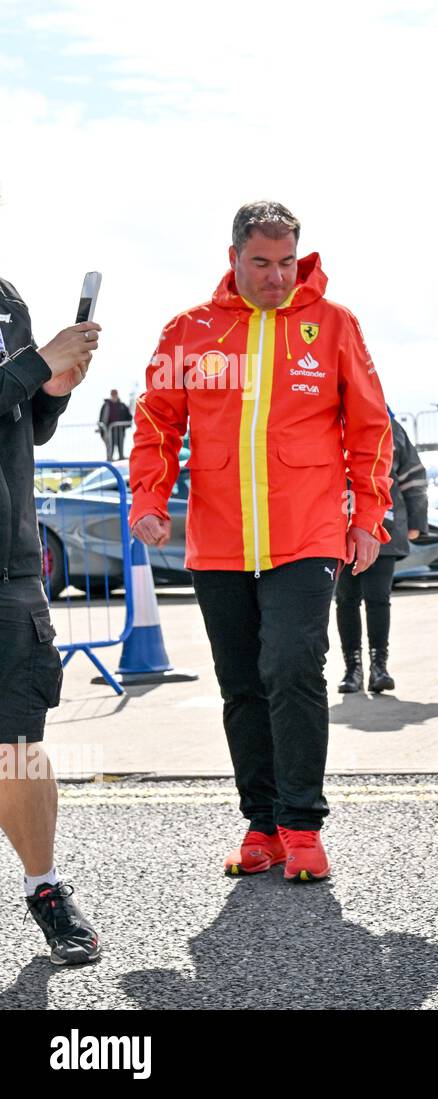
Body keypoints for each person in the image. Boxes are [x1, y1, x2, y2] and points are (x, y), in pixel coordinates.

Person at [129, 201, 393, 884]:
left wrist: (369, 515)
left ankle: (303, 825)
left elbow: (369, 427)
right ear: (234, 258)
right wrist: (150, 499)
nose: (276, 277)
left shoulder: (333, 326)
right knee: (242, 681)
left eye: (286, 263)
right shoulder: (190, 332)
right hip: (218, 539)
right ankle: (262, 823)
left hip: (306, 532)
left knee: (294, 664)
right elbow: (157, 421)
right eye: (261, 263)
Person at [0, 275, 102, 964]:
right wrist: (36, 365)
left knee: (17, 746)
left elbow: (24, 422)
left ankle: (45, 888)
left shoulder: (6, 298)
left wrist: (53, 391)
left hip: (12, 569)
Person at [337, 410, 428, 694]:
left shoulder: (389, 426)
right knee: (346, 599)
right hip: (338, 524)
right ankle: (353, 669)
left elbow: (413, 475)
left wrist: (417, 520)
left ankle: (379, 668)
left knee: (378, 598)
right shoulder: (328, 420)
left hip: (383, 524)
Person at [97, 388, 131, 460]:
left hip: (120, 430)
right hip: (109, 431)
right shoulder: (106, 405)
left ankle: (121, 457)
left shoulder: (122, 405)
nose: (114, 396)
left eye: (115, 394)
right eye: (113, 394)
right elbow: (102, 418)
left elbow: (128, 416)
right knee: (110, 447)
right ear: (111, 395)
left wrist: (127, 424)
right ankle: (110, 459)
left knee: (120, 445)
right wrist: (101, 429)